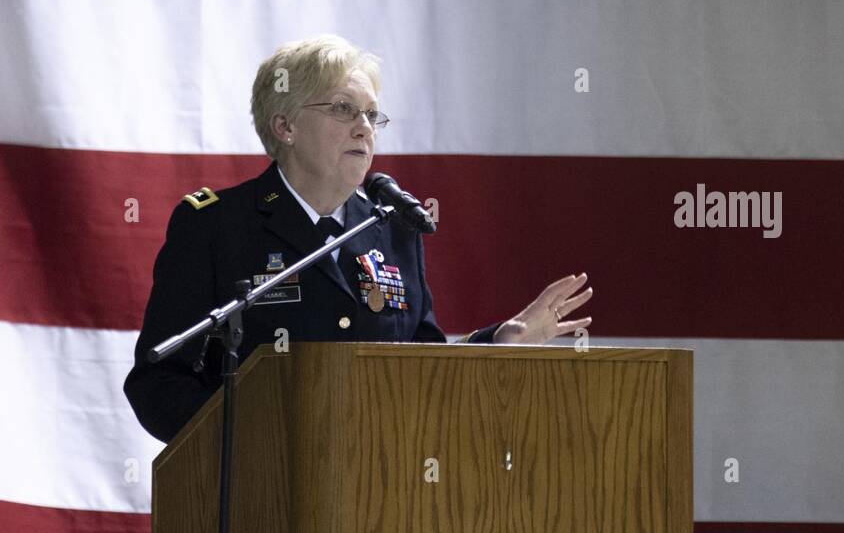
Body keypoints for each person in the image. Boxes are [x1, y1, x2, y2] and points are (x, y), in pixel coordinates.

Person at [124, 35, 593, 443]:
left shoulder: (392, 228)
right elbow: (157, 382)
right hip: (260, 501)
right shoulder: (217, 226)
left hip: (379, 498)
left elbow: (420, 369)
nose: (364, 127)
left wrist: (497, 343)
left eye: (371, 114)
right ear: (284, 126)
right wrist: (251, 439)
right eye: (343, 110)